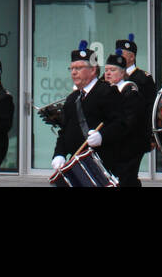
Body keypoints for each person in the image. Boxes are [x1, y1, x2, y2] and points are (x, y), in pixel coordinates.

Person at [51, 41, 126, 181]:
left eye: (79, 68)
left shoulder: (107, 92)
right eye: (72, 68)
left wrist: (102, 136)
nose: (73, 72)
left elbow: (120, 125)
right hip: (79, 169)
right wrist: (59, 154)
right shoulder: (72, 99)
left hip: (103, 167)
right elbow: (64, 132)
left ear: (93, 70)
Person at [104, 50, 147, 187]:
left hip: (129, 148)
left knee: (126, 181)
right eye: (106, 70)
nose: (108, 73)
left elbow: (130, 122)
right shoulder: (104, 90)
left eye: (112, 70)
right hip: (112, 147)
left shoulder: (129, 91)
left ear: (123, 73)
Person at [115, 33, 155, 170]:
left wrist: (151, 136)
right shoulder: (111, 76)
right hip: (117, 134)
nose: (118, 57)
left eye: (122, 54)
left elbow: (151, 107)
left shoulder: (144, 78)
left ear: (132, 57)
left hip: (137, 134)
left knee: (129, 172)